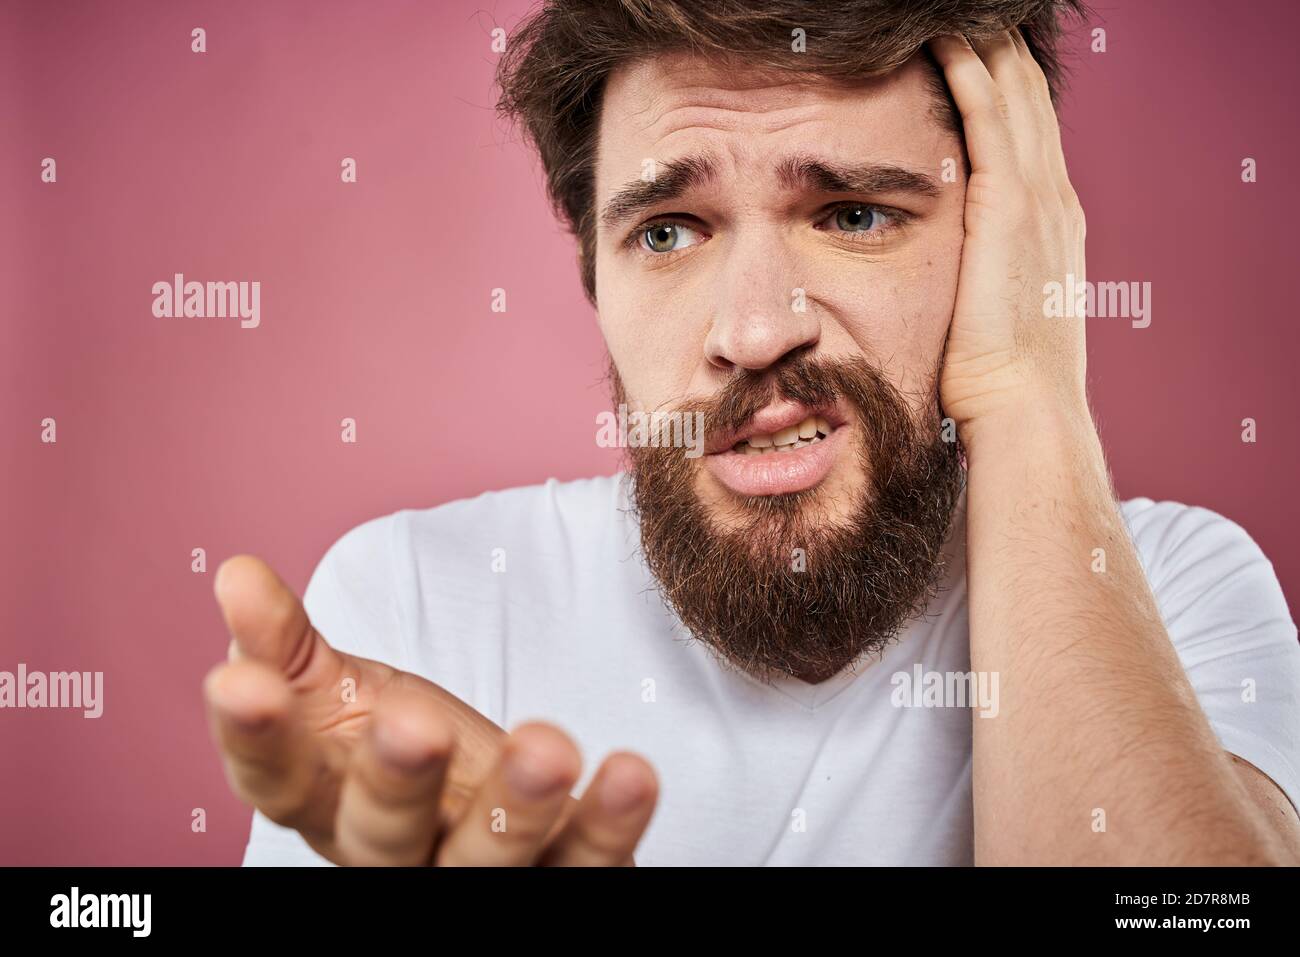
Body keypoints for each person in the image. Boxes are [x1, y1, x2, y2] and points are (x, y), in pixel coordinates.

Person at [203, 0, 1300, 866]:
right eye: (669, 231)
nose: (755, 330)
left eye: (853, 214)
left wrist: (1027, 386)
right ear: (595, 275)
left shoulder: (1172, 588)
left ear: (1003, 241)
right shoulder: (413, 607)